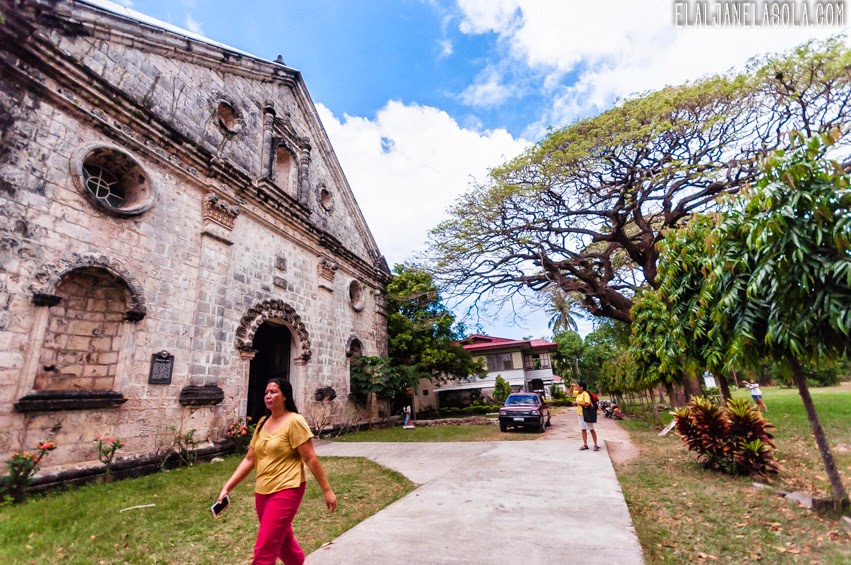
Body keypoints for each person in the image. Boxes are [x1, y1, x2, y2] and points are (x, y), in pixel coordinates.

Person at [218, 378, 337, 564]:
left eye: (273, 392)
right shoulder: (262, 423)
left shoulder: (294, 421)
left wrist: (327, 490)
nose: (268, 396)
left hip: (288, 488)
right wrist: (227, 487)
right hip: (262, 491)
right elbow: (250, 459)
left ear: (285, 396)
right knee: (283, 543)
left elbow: (310, 458)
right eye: (266, 392)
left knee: (264, 551)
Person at [569, 381, 599, 452]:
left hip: (586, 414)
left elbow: (587, 404)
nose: (577, 387)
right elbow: (570, 392)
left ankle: (595, 445)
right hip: (580, 414)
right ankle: (585, 444)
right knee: (583, 429)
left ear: (581, 387)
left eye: (578, 386)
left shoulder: (585, 394)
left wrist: (577, 402)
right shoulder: (578, 393)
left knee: (591, 429)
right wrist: (572, 386)